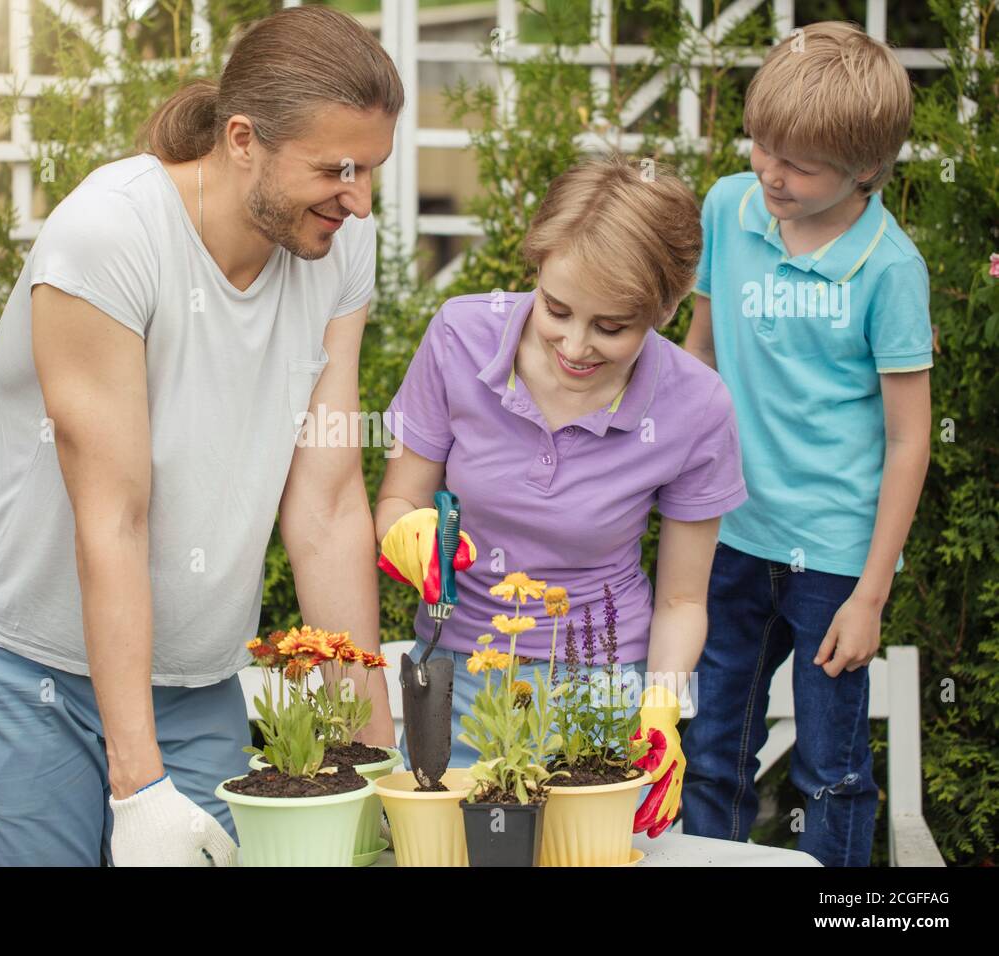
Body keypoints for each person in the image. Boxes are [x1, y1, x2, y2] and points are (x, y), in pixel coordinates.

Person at [0, 5, 402, 866]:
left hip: (193, 675)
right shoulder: (111, 234)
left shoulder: (337, 249)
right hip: (20, 656)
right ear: (244, 139)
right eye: (337, 169)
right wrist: (138, 791)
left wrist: (373, 760)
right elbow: (114, 516)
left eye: (371, 171)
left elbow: (327, 503)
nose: (360, 200)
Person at [375, 155, 747, 837]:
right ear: (537, 268)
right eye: (557, 309)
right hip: (458, 682)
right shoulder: (459, 336)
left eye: (613, 327)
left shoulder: (697, 405)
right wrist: (406, 537)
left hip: (602, 691)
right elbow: (398, 501)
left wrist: (662, 709)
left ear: (667, 306)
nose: (575, 345)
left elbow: (683, 599)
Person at [679, 22, 933, 867]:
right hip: (733, 537)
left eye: (799, 163)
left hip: (833, 557)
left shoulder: (889, 271)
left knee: (830, 768)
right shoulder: (728, 208)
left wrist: (870, 594)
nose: (770, 172)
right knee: (713, 749)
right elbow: (701, 356)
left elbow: (907, 440)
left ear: (866, 168)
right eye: (761, 146)